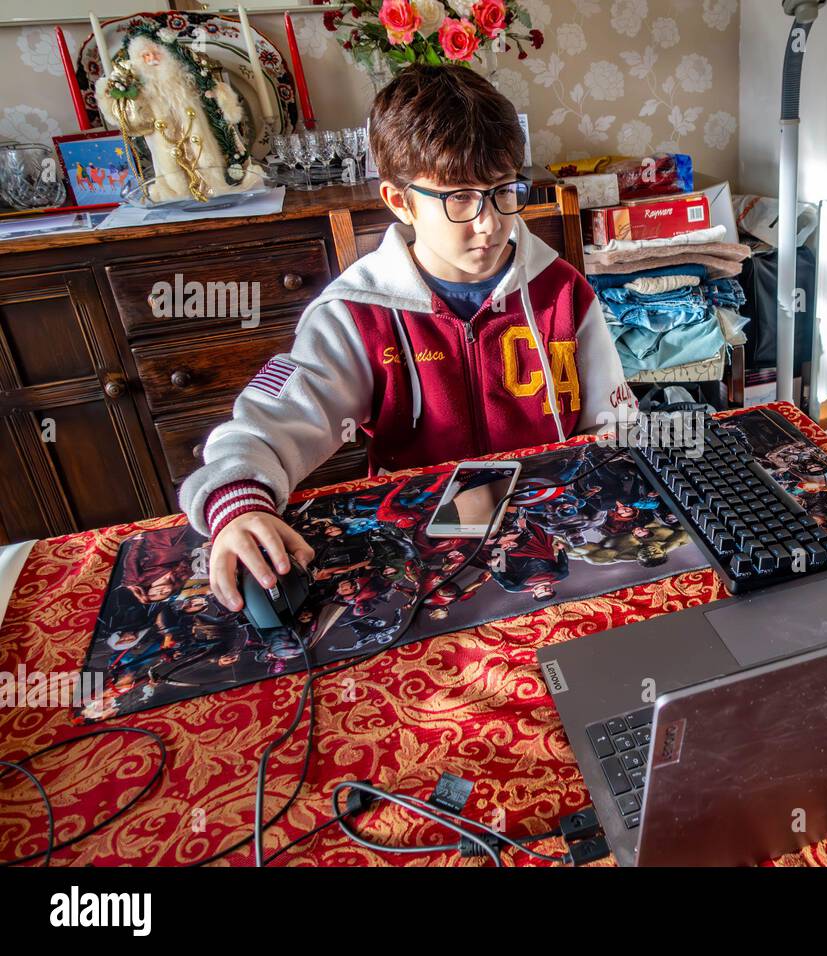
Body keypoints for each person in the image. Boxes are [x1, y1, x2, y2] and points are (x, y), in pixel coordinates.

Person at [181, 65, 636, 612]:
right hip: (420, 554)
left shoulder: (562, 291)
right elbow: (266, 426)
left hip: (550, 540)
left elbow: (615, 428)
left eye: (503, 192)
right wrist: (240, 506)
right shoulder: (356, 314)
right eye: (460, 199)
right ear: (400, 201)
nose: (491, 223)